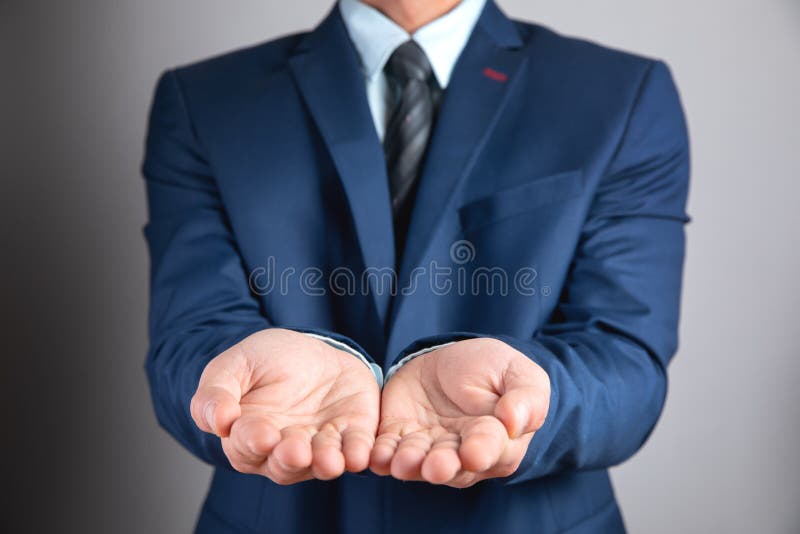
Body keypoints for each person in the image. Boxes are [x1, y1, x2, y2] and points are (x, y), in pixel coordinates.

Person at [142, 0, 689, 532]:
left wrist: (535, 398)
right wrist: (233, 388)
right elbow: (187, 339)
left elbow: (626, 360)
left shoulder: (621, 94)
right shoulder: (204, 100)